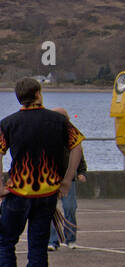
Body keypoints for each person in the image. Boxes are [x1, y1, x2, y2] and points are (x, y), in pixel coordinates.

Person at [0, 78, 84, 267]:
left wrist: (0, 184)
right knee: (38, 246)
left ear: (19, 97)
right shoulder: (58, 121)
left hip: (17, 191)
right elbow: (76, 146)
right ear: (38, 93)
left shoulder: (8, 123)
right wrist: (67, 179)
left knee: (5, 241)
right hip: (47, 192)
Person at [47, 107, 87, 251]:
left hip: (69, 180)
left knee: (70, 208)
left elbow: (79, 157)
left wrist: (82, 172)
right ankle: (52, 241)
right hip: (50, 179)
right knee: (50, 210)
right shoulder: (46, 135)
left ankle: (70, 239)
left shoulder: (72, 136)